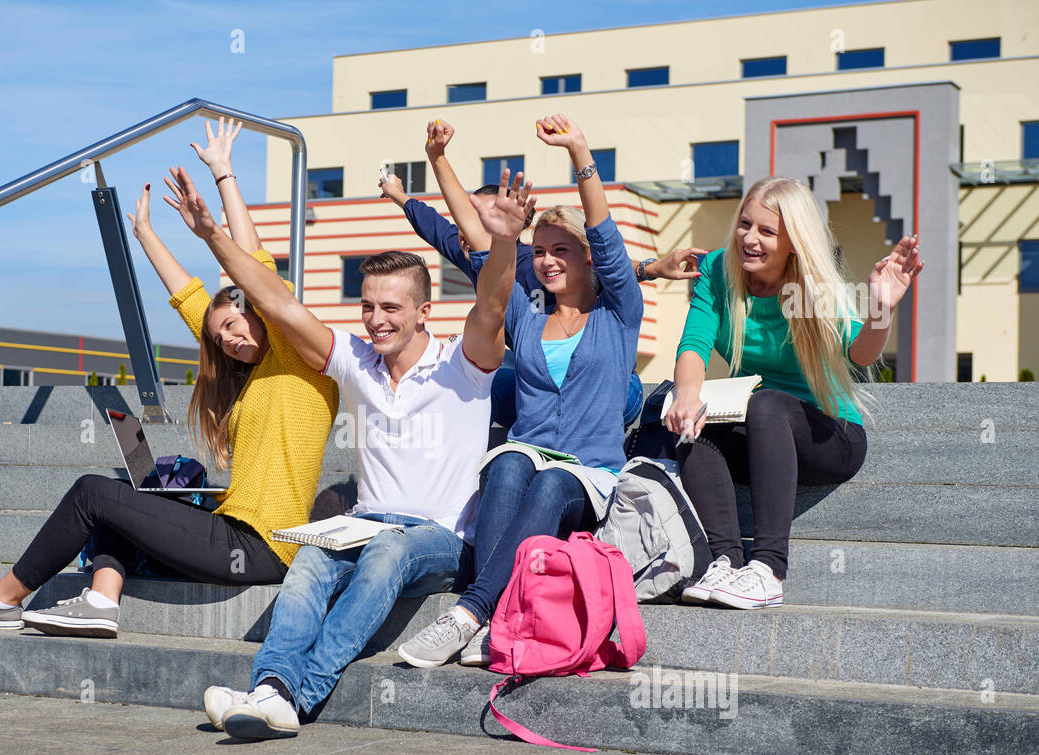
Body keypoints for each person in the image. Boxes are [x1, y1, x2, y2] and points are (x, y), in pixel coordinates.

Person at [0, 118, 338, 637]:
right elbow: (194, 303)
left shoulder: (298, 358)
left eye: (237, 322)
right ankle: (101, 600)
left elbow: (256, 269)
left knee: (91, 492)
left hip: (259, 547)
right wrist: (145, 235)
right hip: (232, 531)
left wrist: (224, 175)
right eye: (221, 337)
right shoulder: (253, 374)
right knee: (122, 496)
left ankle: (2, 599)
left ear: (258, 312)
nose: (230, 338)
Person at [179, 166, 532, 739]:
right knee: (313, 557)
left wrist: (507, 241)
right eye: (368, 306)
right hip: (364, 523)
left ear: (424, 312)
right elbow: (276, 303)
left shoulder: (462, 363)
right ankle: (269, 686)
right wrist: (210, 236)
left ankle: (301, 692)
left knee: (388, 552)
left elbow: (492, 305)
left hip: (436, 536)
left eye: (392, 308)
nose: (376, 320)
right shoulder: (356, 361)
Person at [397, 113, 643, 669]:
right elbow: (488, 258)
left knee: (553, 480)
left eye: (562, 249)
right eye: (541, 250)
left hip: (588, 470)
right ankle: (499, 615)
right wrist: (500, 225)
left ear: (586, 259)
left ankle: (470, 613)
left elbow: (605, 234)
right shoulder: (527, 316)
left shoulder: (617, 313)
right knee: (507, 465)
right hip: (528, 451)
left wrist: (578, 149)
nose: (548, 260)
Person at [667, 176, 923, 609]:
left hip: (829, 436)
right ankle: (726, 563)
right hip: (758, 434)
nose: (749, 238)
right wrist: (686, 396)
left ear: (793, 241)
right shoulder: (717, 271)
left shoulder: (809, 286)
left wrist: (882, 307)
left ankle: (767, 570)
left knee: (766, 404)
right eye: (745, 224)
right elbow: (693, 343)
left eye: (767, 231)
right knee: (693, 425)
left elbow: (860, 354)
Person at [379, 117, 707, 426]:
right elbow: (432, 224)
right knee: (467, 368)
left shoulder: (536, 261)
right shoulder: (475, 256)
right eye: (468, 221)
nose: (467, 232)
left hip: (611, 387)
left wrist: (653, 267)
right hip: (540, 384)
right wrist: (407, 184)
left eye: (483, 219)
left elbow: (604, 261)